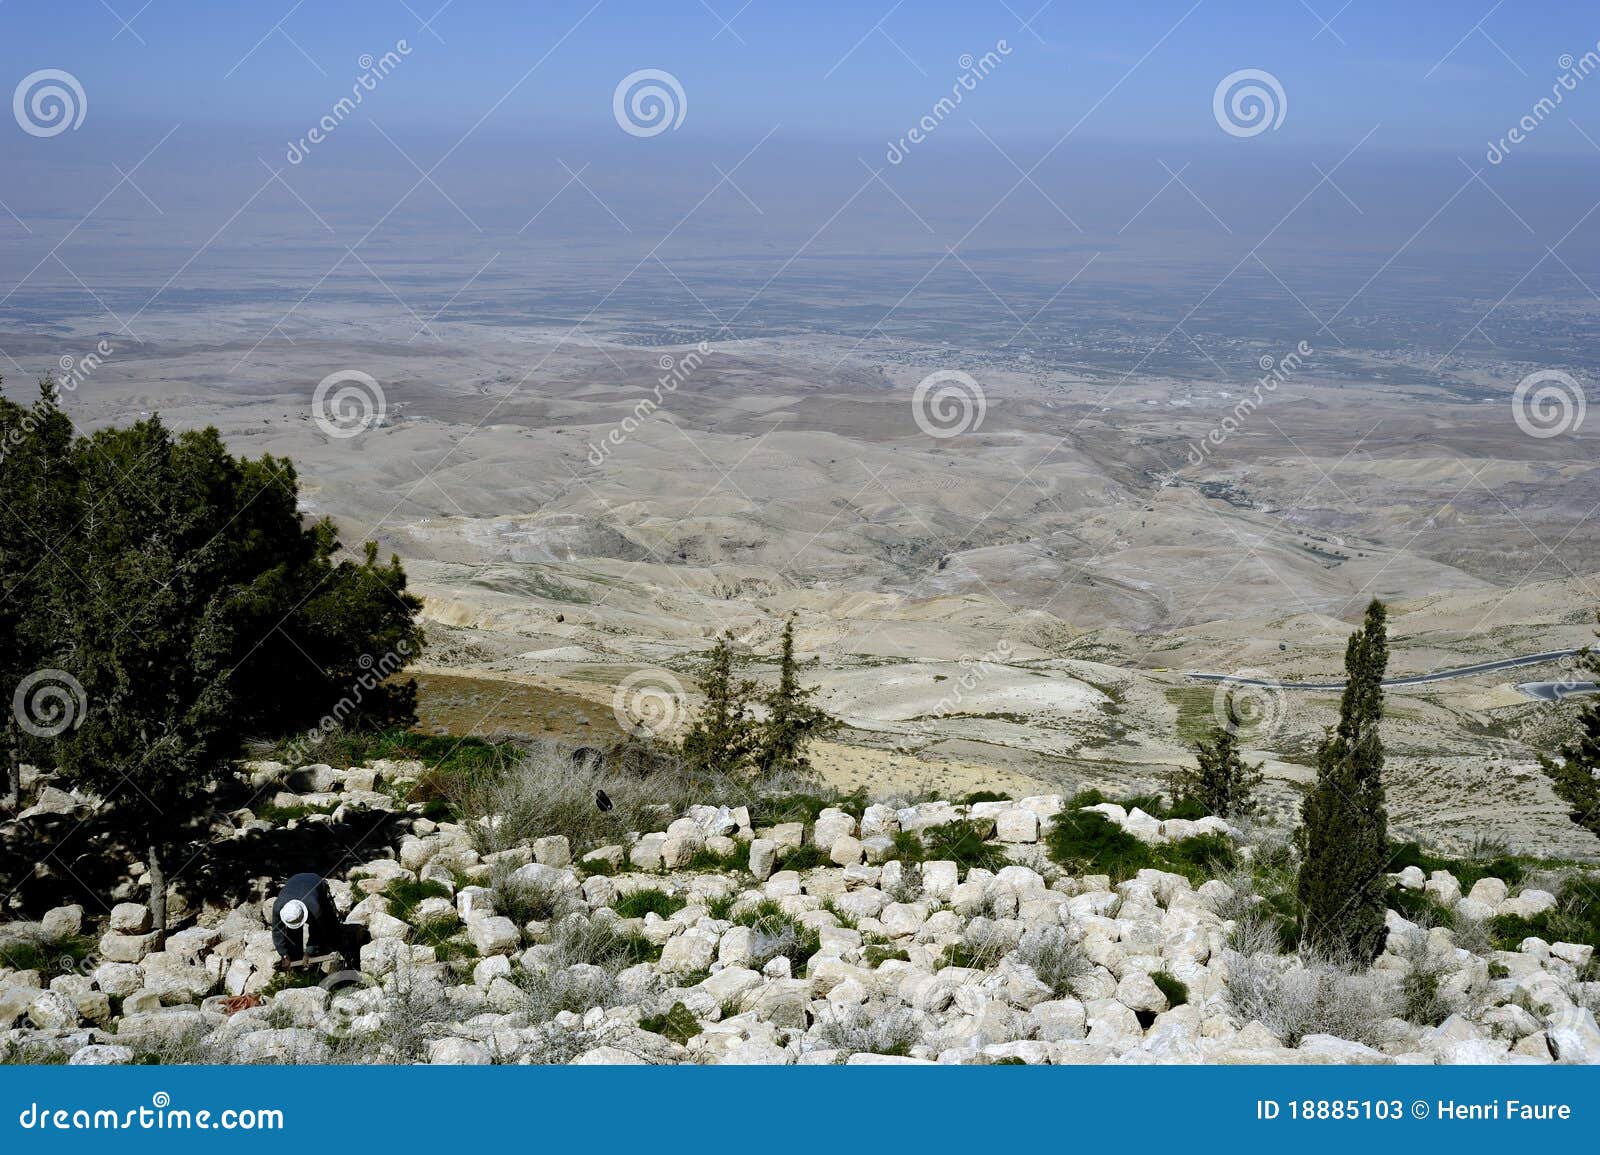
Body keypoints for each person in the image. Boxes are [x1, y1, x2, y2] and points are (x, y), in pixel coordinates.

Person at [271, 872, 346, 965]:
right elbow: (277, 931)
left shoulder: (314, 907)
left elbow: (317, 931)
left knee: (328, 923)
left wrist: (309, 953)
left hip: (315, 881)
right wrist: (284, 954)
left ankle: (332, 945)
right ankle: (296, 957)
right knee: (293, 933)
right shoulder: (278, 907)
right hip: (295, 879)